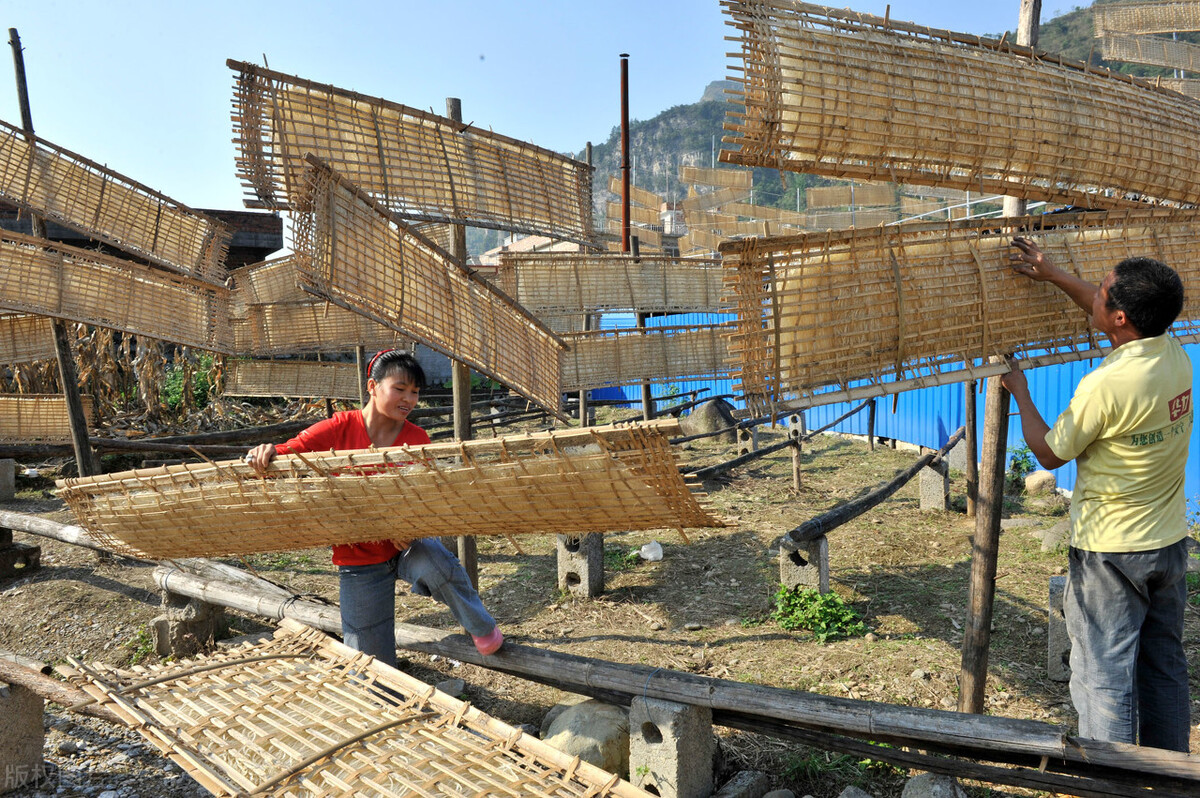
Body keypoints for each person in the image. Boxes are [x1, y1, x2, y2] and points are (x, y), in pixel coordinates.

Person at [1001, 236, 1191, 751]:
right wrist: (1054, 274)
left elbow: (1048, 454)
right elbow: (1103, 305)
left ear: (1122, 318)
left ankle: (1110, 778)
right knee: (1164, 665)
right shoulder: (1172, 351)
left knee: (1105, 671)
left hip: (1112, 552)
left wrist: (1019, 391)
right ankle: (1169, 775)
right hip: (1170, 541)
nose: (1094, 295)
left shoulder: (1107, 384)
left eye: (1103, 293)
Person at [246, 349, 504, 665]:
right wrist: (267, 451)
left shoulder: (417, 438)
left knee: (439, 566)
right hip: (358, 555)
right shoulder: (339, 427)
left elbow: (429, 496)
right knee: (368, 667)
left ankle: (483, 629)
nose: (408, 399)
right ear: (372, 386)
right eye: (400, 388)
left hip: (406, 546)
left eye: (415, 392)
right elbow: (291, 453)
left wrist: (411, 528)